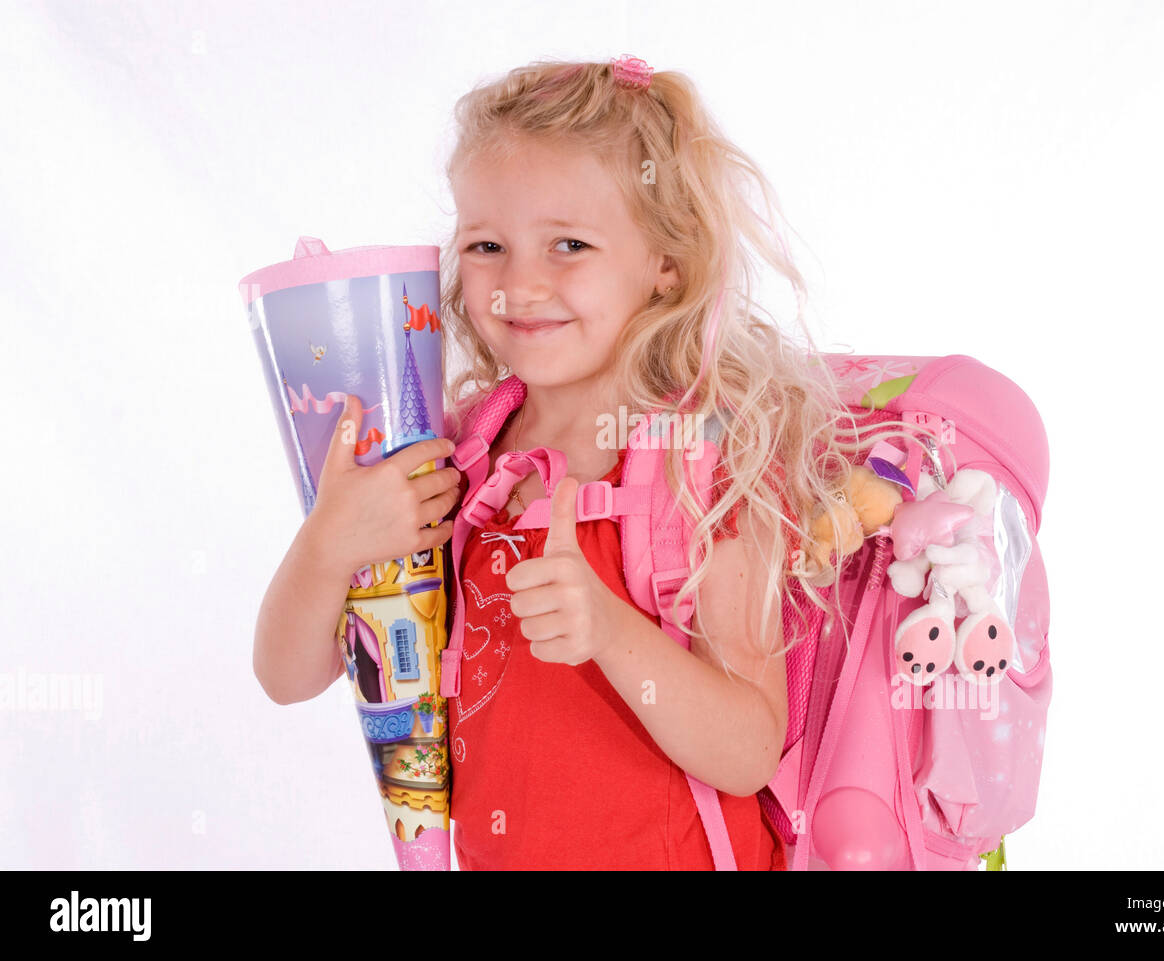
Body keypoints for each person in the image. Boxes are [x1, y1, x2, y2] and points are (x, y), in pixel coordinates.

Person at [255, 55, 870, 870]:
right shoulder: (452, 460)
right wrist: (328, 543)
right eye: (486, 245)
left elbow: (749, 746)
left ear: (666, 263)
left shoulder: (705, 465)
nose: (519, 284)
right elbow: (287, 675)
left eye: (569, 244)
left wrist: (610, 628)